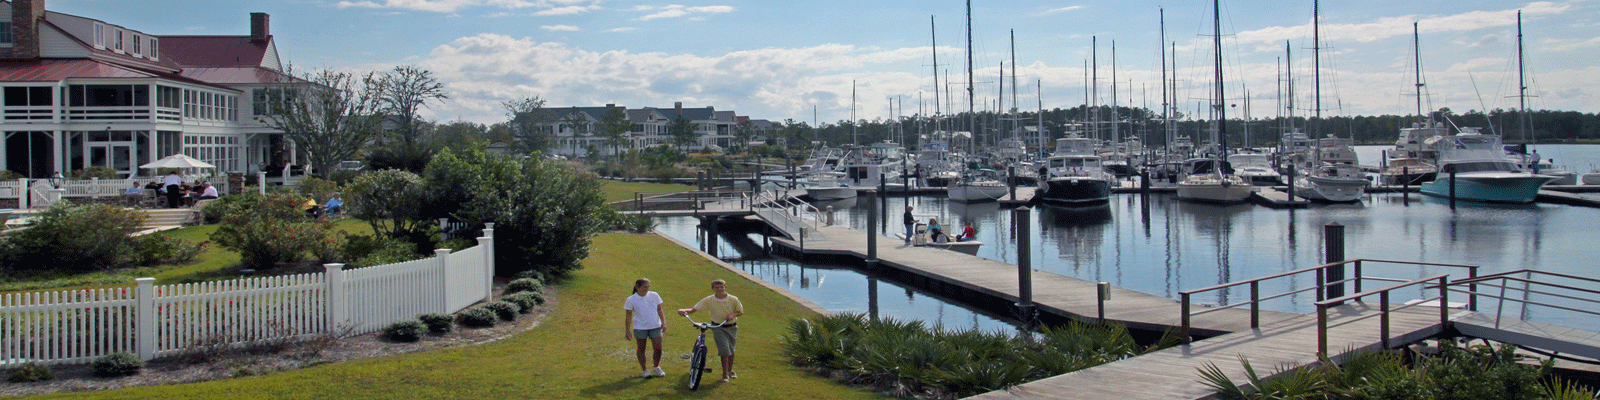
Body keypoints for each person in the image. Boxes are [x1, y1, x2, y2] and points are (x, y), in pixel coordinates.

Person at [678, 279, 744, 383]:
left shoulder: (733, 299)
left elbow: (740, 312)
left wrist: (733, 315)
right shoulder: (709, 300)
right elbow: (694, 309)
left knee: (731, 350)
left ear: (725, 287)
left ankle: (730, 370)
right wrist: (684, 311)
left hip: (731, 327)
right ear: (713, 289)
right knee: (724, 350)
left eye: (721, 287)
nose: (719, 289)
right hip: (718, 327)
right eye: (717, 287)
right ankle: (724, 374)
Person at [623, 278, 667, 378]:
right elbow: (628, 316)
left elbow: (660, 309)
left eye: (648, 287)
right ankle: (644, 370)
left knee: (658, 348)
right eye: (644, 287)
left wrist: (663, 322)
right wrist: (627, 330)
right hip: (640, 327)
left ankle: (656, 367)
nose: (646, 289)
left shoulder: (654, 295)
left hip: (655, 326)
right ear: (637, 287)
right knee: (641, 348)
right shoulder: (631, 299)